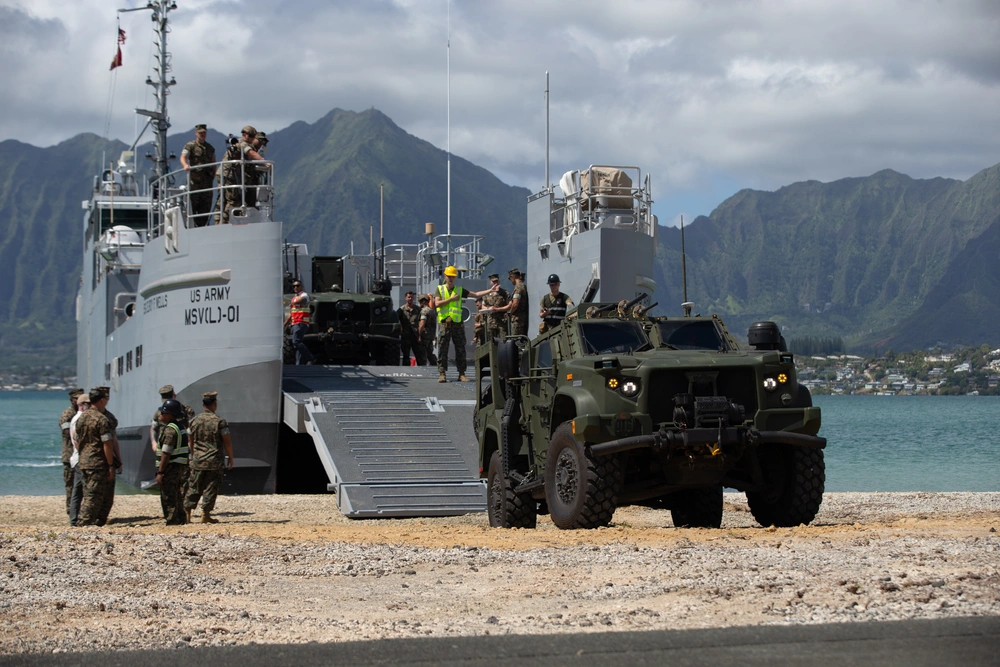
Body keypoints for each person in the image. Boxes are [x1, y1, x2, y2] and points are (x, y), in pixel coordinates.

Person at [431, 266, 498, 382]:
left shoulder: (459, 290)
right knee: (442, 348)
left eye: (453, 276)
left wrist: (490, 291)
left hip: (457, 323)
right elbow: (437, 304)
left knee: (460, 348)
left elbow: (476, 295)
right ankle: (442, 373)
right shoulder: (440, 289)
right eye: (449, 276)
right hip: (444, 323)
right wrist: (451, 299)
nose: (451, 278)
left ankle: (461, 373)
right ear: (445, 276)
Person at [184, 392, 234, 524]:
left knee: (194, 486)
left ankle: (187, 513)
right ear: (215, 404)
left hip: (198, 460)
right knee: (211, 487)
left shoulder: (193, 421)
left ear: (202, 404)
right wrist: (231, 457)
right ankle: (205, 514)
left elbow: (190, 440)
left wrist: (193, 456)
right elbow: (227, 441)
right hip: (214, 461)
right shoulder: (220, 422)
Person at [73, 389, 115, 526]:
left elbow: (76, 440)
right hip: (97, 463)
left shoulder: (82, 418)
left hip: (84, 461)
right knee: (94, 496)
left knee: (89, 494)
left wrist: (84, 454)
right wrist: (110, 464)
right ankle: (83, 523)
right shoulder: (101, 419)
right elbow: (107, 444)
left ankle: (92, 522)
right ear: (102, 400)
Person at [220, 125, 266, 224]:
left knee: (236, 200)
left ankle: (234, 220)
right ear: (245, 135)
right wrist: (264, 161)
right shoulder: (242, 143)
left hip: (235, 174)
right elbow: (250, 153)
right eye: (251, 136)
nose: (252, 139)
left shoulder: (245, 144)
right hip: (230, 174)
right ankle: (225, 222)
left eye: (253, 136)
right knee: (232, 199)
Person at [155, 399, 190, 525]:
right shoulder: (180, 427)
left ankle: (172, 520)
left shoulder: (170, 430)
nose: (160, 415)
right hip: (180, 466)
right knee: (177, 494)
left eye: (162, 412)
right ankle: (181, 519)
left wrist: (160, 472)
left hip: (171, 467)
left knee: (168, 495)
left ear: (169, 415)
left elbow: (166, 453)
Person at [92, 386, 121, 526]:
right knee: (93, 494)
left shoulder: (109, 418)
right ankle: (88, 521)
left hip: (103, 459)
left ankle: (99, 521)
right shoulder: (97, 418)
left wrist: (118, 461)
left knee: (107, 495)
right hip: (96, 460)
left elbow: (113, 440)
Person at [179, 124, 217, 226]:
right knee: (192, 207)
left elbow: (213, 162)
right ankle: (191, 226)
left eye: (204, 132)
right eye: (200, 133)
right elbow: (183, 157)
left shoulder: (210, 148)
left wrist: (213, 175)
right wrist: (185, 165)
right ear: (196, 133)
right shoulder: (190, 146)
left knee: (205, 208)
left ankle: (202, 227)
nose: (202, 134)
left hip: (207, 183)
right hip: (194, 183)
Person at [58, 388, 84, 521]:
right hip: (69, 456)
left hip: (80, 456)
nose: (78, 401)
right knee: (71, 485)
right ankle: (71, 511)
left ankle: (79, 511)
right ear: (71, 400)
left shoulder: (82, 413)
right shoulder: (68, 415)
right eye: (76, 398)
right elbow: (69, 434)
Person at [67, 392, 91, 527]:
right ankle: (75, 519)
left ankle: (75, 518)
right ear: (81, 405)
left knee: (79, 489)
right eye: (88, 404)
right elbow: (76, 440)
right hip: (80, 459)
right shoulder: (79, 419)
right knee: (80, 489)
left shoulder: (80, 418)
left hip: (80, 458)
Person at [149, 385, 195, 454]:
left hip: (181, 447)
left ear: (174, 396)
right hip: (165, 446)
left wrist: (190, 443)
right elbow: (153, 428)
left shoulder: (185, 410)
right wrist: (153, 443)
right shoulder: (159, 413)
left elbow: (191, 428)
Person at [283, 279, 315, 365]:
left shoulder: (304, 295)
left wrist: (292, 302)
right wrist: (285, 324)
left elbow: (298, 301)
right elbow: (291, 313)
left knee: (296, 341)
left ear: (301, 287)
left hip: (301, 322)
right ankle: (299, 364)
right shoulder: (294, 297)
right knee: (297, 344)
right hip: (294, 323)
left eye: (297, 286)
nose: (295, 287)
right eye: (294, 286)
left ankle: (310, 357)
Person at [492, 268, 529, 337]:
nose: (510, 281)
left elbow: (515, 304)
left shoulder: (518, 288)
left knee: (516, 340)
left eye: (510, 278)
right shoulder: (522, 286)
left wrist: (510, 313)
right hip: (521, 319)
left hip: (518, 320)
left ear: (513, 277)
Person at [397, 291, 426, 365]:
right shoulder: (401, 310)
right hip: (405, 336)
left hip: (415, 336)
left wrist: (420, 335)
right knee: (406, 356)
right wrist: (401, 331)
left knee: (419, 355)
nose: (410, 299)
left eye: (412, 297)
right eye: (409, 297)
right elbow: (397, 321)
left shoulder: (418, 309)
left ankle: (422, 370)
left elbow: (422, 321)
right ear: (405, 298)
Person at [480, 273, 509, 343]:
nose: (495, 283)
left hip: (502, 321)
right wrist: (489, 308)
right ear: (490, 282)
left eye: (496, 281)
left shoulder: (505, 293)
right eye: (493, 282)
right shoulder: (487, 294)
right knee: (491, 341)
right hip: (491, 321)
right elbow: (482, 306)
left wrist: (498, 309)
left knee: (504, 340)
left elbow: (509, 306)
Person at [418, 295, 437, 366]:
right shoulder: (432, 311)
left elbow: (422, 323)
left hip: (425, 336)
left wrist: (419, 335)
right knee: (430, 353)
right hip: (431, 336)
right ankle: (436, 365)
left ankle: (422, 368)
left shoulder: (424, 311)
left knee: (423, 354)